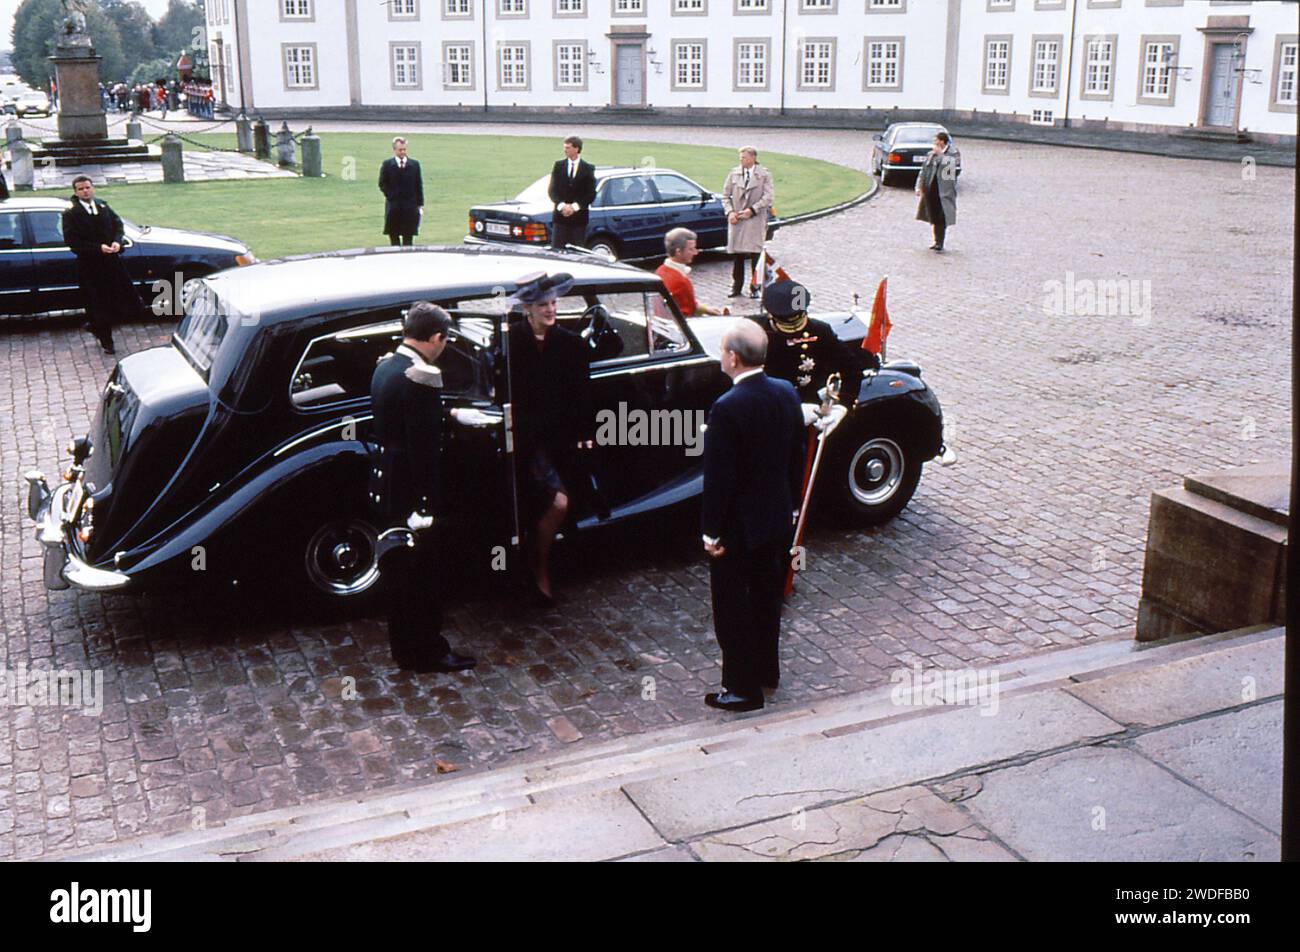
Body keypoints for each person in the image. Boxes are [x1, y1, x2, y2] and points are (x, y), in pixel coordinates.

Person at [700, 320, 806, 712]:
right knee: (767, 598)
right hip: (776, 516)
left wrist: (711, 530)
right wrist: (792, 503)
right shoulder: (786, 392)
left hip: (738, 526)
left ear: (732, 356)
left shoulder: (727, 407)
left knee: (732, 608)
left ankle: (741, 688)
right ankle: (766, 669)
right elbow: (796, 454)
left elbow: (719, 477)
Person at [368, 302, 478, 674]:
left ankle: (406, 650)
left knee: (399, 578)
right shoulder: (422, 376)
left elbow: (400, 422)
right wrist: (427, 504)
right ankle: (428, 651)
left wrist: (448, 414)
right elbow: (424, 449)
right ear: (435, 338)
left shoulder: (387, 365)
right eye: (444, 340)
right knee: (422, 579)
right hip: (412, 494)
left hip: (387, 483)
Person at [507, 271, 594, 605]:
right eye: (542, 304)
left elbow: (582, 393)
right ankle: (535, 565)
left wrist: (585, 432)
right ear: (527, 309)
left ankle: (545, 564)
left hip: (560, 439)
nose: (550, 310)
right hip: (523, 440)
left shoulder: (571, 343)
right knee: (548, 503)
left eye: (554, 303)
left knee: (562, 504)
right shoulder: (510, 341)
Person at [758, 279, 875, 406]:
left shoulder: (819, 330)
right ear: (771, 315)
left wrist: (843, 405)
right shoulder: (754, 330)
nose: (795, 329)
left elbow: (851, 368)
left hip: (809, 403)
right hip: (767, 405)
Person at [62, 176, 142, 355]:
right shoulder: (70, 214)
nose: (85, 191)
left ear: (93, 188)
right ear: (75, 192)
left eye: (88, 188)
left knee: (120, 300)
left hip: (111, 264)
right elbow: (73, 241)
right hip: (90, 267)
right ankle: (106, 339)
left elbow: (118, 225)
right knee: (97, 304)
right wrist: (98, 248)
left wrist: (117, 242)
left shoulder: (103, 206)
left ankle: (95, 326)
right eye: (81, 189)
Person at [720, 147, 774, 298]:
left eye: (744, 157)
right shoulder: (734, 173)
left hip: (755, 219)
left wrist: (753, 209)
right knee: (738, 255)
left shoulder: (764, 175)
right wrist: (730, 212)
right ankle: (736, 287)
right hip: (737, 218)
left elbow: (768, 197)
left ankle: (755, 287)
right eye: (741, 158)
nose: (741, 160)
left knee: (755, 254)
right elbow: (725, 196)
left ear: (752, 158)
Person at [656, 228, 730, 317]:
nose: (695, 252)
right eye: (691, 249)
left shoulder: (660, 271)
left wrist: (706, 310)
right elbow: (687, 317)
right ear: (678, 251)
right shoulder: (679, 281)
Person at [547, 135, 596, 250]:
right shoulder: (559, 166)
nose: (565, 150)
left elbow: (590, 194)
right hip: (560, 218)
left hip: (578, 219)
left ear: (577, 149)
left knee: (576, 251)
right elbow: (552, 190)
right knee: (557, 249)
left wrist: (574, 207)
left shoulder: (588, 168)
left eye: (568, 148)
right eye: (565, 147)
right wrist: (562, 206)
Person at [915, 131, 958, 253]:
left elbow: (949, 174)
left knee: (941, 217)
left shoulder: (952, 154)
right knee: (933, 216)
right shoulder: (931, 154)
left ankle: (940, 242)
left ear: (942, 141)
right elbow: (923, 171)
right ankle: (935, 240)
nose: (934, 143)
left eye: (936, 140)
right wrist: (919, 186)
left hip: (944, 192)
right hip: (931, 190)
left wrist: (940, 156)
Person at [378, 136, 424, 247]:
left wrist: (420, 204)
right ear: (394, 150)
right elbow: (382, 183)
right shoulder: (388, 165)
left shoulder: (414, 165)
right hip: (394, 206)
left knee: (408, 238)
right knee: (394, 237)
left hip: (410, 207)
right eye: (400, 150)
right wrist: (391, 195)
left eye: (404, 149)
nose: (403, 152)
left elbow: (419, 185)